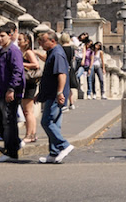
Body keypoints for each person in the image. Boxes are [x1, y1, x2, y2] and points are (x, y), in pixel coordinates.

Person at [36, 31, 74, 164]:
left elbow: (62, 74)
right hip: (52, 93)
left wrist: (59, 93)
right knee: (55, 124)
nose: (40, 44)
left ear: (52, 41)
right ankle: (54, 152)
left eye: (43, 41)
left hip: (55, 95)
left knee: (46, 122)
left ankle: (64, 145)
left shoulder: (57, 53)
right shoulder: (53, 53)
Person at [0, 25, 25, 162]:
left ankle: (11, 152)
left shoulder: (13, 51)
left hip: (9, 92)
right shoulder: (2, 51)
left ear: (10, 35)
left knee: (9, 122)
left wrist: (11, 89)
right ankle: (15, 142)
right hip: (0, 92)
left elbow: (17, 71)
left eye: (2, 36)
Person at [18, 31, 40, 143]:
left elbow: (36, 65)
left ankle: (29, 135)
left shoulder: (28, 53)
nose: (18, 41)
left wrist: (22, 64)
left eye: (20, 39)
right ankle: (33, 134)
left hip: (29, 83)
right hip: (26, 83)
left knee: (28, 111)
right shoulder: (23, 52)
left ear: (26, 42)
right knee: (27, 110)